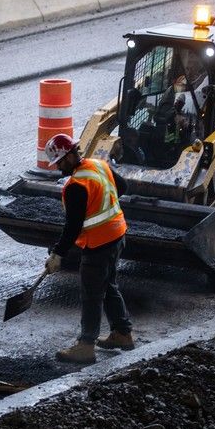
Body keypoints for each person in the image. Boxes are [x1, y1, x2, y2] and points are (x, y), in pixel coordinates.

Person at [43, 133, 132, 365]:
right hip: (118, 234)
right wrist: (104, 201)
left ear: (70, 156)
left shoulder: (76, 186)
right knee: (109, 284)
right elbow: (122, 186)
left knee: (91, 294)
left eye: (60, 162)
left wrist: (58, 254)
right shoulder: (99, 165)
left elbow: (72, 227)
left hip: (99, 243)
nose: (59, 167)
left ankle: (86, 346)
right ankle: (122, 333)